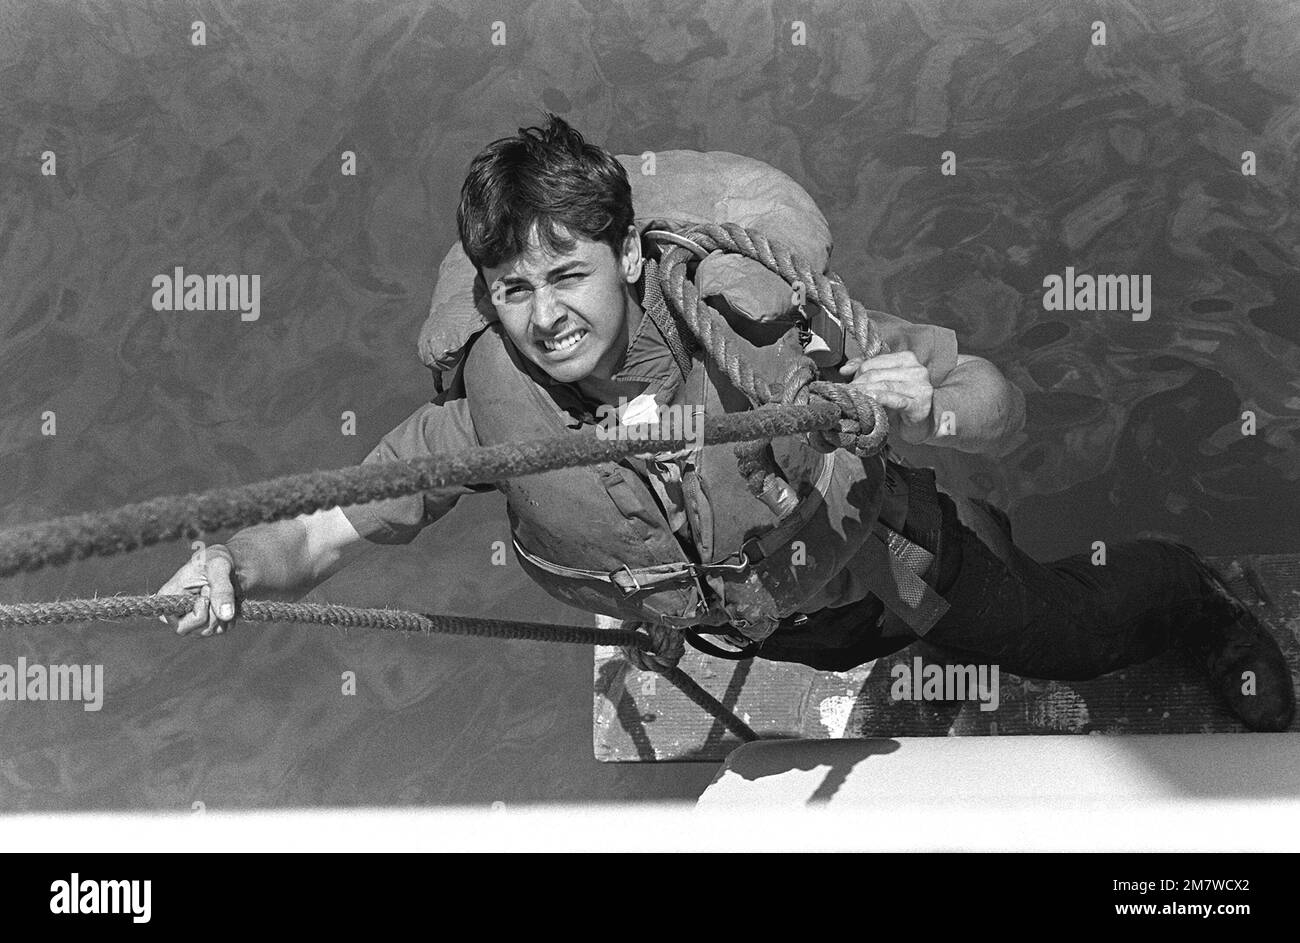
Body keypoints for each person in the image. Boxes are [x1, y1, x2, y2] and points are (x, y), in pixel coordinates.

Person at [157, 114, 1295, 732]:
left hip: (894, 571)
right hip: (752, 626)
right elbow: (324, 528)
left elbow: (1003, 404)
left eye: (567, 275)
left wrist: (925, 399)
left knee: (1068, 632)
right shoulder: (487, 419)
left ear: (627, 252)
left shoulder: (766, 327)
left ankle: (1195, 602)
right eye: (513, 289)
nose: (545, 317)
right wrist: (234, 565)